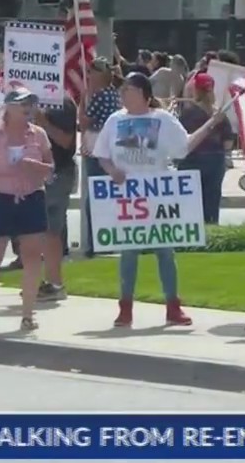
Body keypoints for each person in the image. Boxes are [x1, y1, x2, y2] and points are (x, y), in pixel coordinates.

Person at [94, 72, 221, 327]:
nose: (123, 95)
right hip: (128, 198)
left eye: (129, 90)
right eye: (123, 90)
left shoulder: (162, 119)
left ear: (144, 94)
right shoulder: (114, 120)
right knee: (129, 253)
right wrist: (112, 171)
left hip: (158, 196)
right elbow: (102, 154)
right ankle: (125, 308)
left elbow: (183, 147)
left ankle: (173, 306)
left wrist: (210, 125)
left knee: (165, 252)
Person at [0, 88, 55, 332]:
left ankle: (28, 315)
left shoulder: (38, 135)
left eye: (30, 103)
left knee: (32, 256)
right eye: (21, 103)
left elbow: (51, 168)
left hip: (32, 197)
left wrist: (35, 166)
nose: (27, 108)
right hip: (0, 199)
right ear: (8, 107)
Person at [33, 93, 79, 299]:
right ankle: (39, 281)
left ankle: (55, 283)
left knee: (51, 230)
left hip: (58, 172)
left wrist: (43, 122)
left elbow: (66, 141)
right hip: (30, 174)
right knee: (34, 232)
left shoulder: (63, 103)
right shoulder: (23, 101)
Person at [77, 57, 122, 258]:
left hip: (97, 149)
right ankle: (107, 239)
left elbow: (84, 122)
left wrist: (82, 100)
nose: (88, 76)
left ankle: (95, 243)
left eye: (91, 72)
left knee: (95, 197)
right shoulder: (114, 93)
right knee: (107, 196)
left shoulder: (100, 95)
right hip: (111, 150)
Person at [176, 73, 233, 224]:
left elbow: (181, 141)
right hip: (216, 161)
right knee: (212, 204)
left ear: (195, 89)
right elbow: (228, 142)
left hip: (192, 162)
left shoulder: (188, 114)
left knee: (191, 206)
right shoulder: (220, 114)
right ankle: (211, 230)